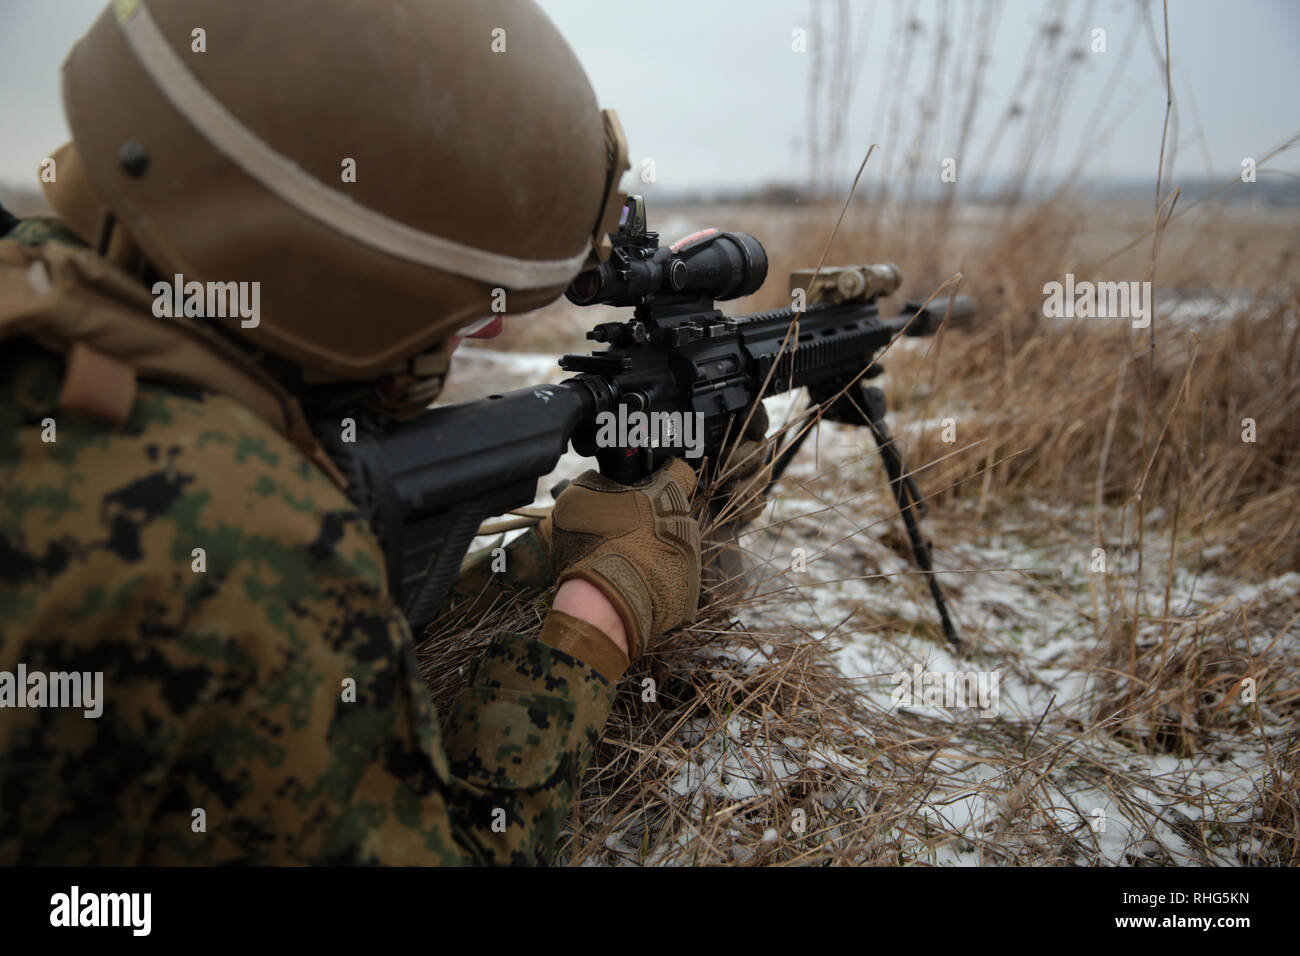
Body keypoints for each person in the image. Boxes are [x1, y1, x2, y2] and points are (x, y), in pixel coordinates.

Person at [0, 0, 701, 865]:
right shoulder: (243, 535)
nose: (474, 337)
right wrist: (598, 618)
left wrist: (520, 565)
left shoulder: (41, 312)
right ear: (336, 283)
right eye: (463, 314)